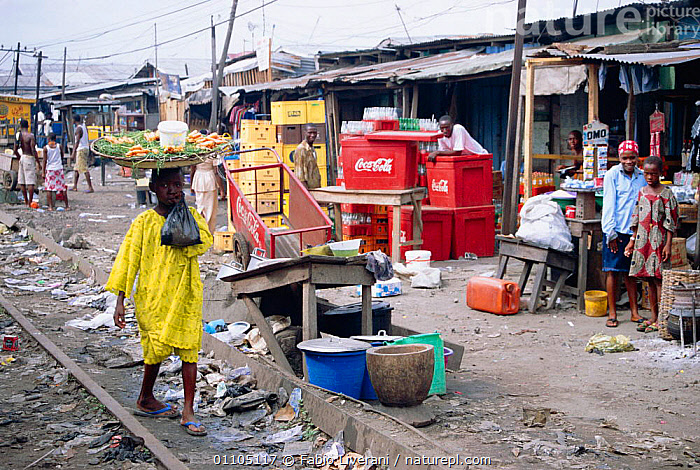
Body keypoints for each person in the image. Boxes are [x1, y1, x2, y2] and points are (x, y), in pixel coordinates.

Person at [106, 168, 213, 437]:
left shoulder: (191, 217)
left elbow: (204, 242)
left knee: (189, 350)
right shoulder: (143, 222)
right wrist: (120, 299)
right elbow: (127, 260)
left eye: (177, 185)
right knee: (154, 351)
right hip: (152, 298)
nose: (173, 191)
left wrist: (184, 219)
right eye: (166, 186)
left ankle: (188, 410)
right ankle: (145, 397)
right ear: (153, 187)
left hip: (185, 294)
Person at [624, 156, 678, 333]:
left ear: (660, 173)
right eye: (647, 173)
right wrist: (632, 241)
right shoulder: (642, 192)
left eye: (653, 174)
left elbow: (671, 222)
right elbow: (636, 217)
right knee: (648, 279)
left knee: (659, 279)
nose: (649, 177)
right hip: (643, 242)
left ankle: (663, 319)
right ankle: (653, 317)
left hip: (659, 241)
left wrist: (668, 245)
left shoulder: (667, 194)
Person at [602, 140, 647, 328]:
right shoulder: (612, 175)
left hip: (634, 232)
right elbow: (609, 204)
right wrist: (610, 233)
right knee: (612, 271)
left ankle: (634, 312)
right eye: (625, 158)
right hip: (616, 230)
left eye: (632, 157)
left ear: (637, 158)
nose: (629, 161)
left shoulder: (642, 176)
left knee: (631, 273)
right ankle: (612, 313)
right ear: (619, 158)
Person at [13, 119, 41, 208]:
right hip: (29, 158)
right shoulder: (30, 136)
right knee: (30, 182)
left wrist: (19, 157)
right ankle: (30, 202)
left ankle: (26, 201)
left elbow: (15, 150)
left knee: (22, 181)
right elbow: (33, 150)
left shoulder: (19, 136)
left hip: (23, 157)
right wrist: (38, 161)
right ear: (28, 126)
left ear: (20, 127)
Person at [191, 156, 219, 235]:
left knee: (200, 206)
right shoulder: (213, 153)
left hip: (198, 178)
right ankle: (208, 231)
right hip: (209, 178)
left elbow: (192, 169)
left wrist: (191, 184)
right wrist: (222, 190)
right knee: (210, 208)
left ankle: (200, 230)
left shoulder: (196, 152)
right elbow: (216, 171)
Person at [42, 133, 69, 211]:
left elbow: (44, 161)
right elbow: (62, 156)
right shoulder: (59, 146)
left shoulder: (45, 148)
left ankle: (50, 206)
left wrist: (43, 172)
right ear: (55, 138)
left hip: (50, 170)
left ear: (48, 139)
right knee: (62, 188)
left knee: (49, 189)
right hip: (59, 169)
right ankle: (67, 206)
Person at [70, 114, 94, 193]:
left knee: (84, 168)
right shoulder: (83, 126)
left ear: (74, 120)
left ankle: (90, 187)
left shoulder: (78, 129)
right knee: (76, 169)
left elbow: (77, 142)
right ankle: (75, 186)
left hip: (81, 150)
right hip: (85, 148)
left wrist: (73, 153)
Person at [293, 124, 322, 189]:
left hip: (314, 188)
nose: (312, 135)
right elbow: (299, 174)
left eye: (314, 133)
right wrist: (306, 194)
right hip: (307, 190)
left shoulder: (311, 149)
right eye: (310, 133)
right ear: (305, 132)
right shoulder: (301, 149)